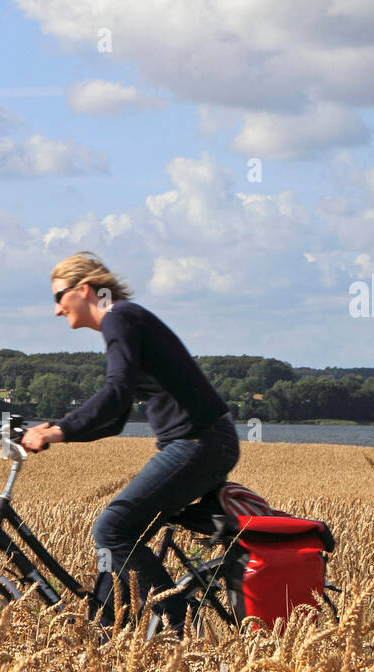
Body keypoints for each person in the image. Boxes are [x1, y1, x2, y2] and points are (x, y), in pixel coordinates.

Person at [20, 252, 240, 639]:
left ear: (83, 290)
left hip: (199, 443)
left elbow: (116, 391)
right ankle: (107, 633)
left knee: (112, 529)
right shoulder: (124, 319)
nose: (56, 311)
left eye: (57, 298)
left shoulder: (119, 317)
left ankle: (183, 627)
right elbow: (116, 418)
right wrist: (59, 428)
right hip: (199, 442)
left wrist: (56, 431)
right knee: (119, 544)